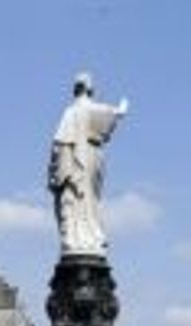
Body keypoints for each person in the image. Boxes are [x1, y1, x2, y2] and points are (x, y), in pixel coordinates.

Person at [47, 72, 128, 257]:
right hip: (90, 158)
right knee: (88, 200)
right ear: (90, 89)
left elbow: (58, 144)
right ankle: (90, 239)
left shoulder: (70, 112)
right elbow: (114, 114)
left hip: (75, 161)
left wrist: (56, 170)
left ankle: (76, 240)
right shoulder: (91, 109)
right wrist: (121, 109)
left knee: (76, 200)